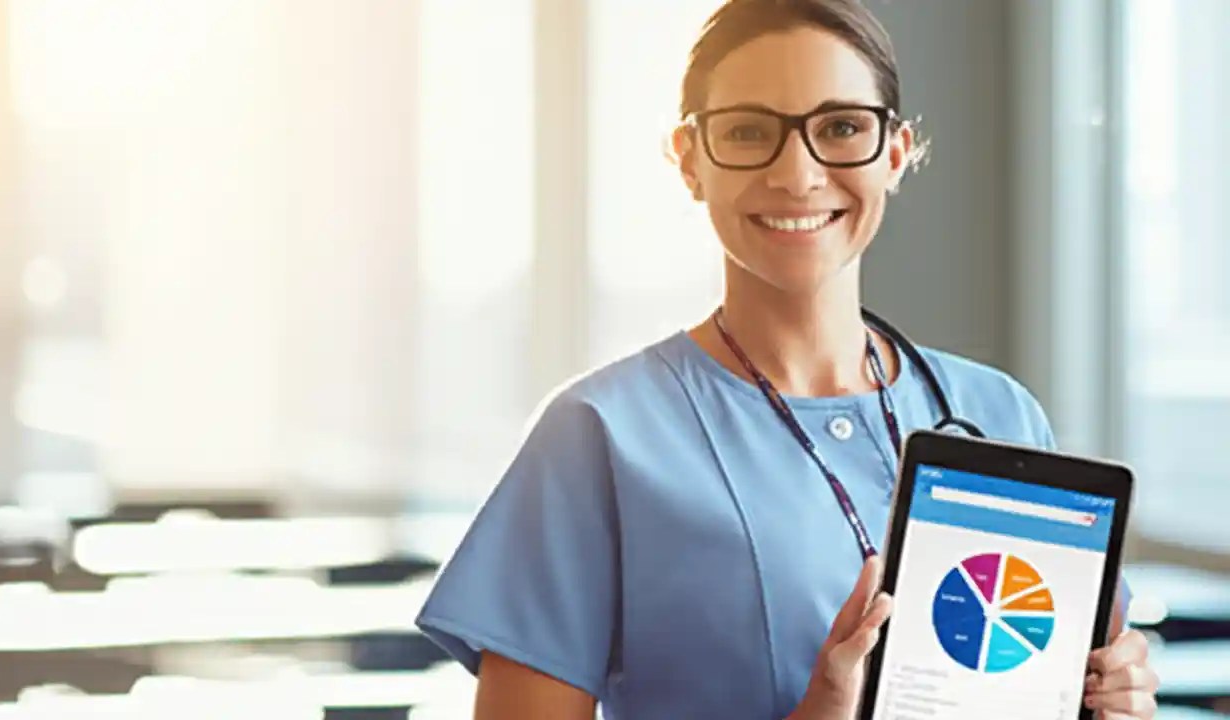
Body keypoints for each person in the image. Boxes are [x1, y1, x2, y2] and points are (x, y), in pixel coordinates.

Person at [415, 1, 1160, 718]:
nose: (798, 174)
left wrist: (1112, 704)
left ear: (895, 153)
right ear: (690, 160)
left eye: (840, 127)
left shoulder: (1001, 413)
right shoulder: (599, 435)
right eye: (747, 132)